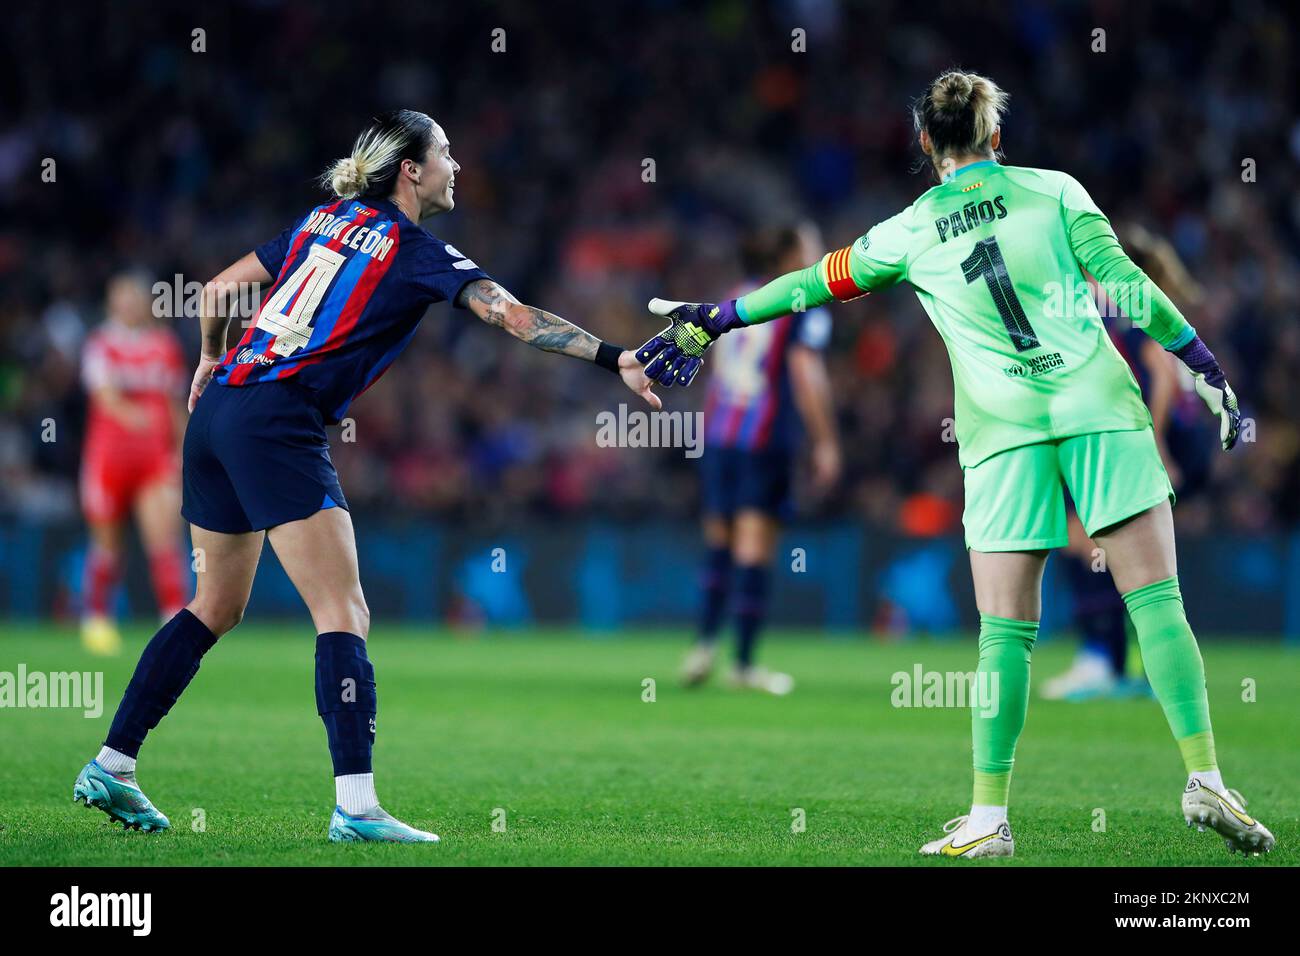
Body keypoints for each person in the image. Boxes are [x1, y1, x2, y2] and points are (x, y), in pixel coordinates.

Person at [635, 71, 1273, 859]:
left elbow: (812, 284)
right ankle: (1206, 777)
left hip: (1003, 435)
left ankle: (989, 818)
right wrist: (1203, 364)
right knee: (1160, 603)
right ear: (995, 137)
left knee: (1005, 636)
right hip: (1100, 412)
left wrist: (721, 316)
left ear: (927, 145)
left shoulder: (907, 232)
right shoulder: (1057, 192)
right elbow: (1129, 289)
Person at [73, 109, 660, 843]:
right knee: (344, 613)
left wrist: (207, 360)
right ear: (411, 170)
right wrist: (616, 358)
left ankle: (113, 763)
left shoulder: (321, 218)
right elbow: (512, 317)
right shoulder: (416, 250)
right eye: (446, 153)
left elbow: (218, 291)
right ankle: (355, 807)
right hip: (279, 420)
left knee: (213, 605)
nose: (456, 166)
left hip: (220, 412)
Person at [1043, 225, 1211, 700]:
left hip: (1160, 443)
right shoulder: (1132, 302)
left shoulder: (1123, 301)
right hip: (1161, 441)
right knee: (1118, 552)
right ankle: (1136, 665)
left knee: (1084, 540)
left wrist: (1157, 445)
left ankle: (1102, 659)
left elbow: (1162, 373)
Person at [682, 224, 840, 694]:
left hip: (721, 435)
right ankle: (744, 664)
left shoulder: (735, 295)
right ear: (790, 255)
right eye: (811, 246)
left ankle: (703, 646)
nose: (819, 254)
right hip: (765, 439)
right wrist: (826, 440)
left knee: (719, 544)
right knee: (753, 549)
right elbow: (804, 369)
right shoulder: (798, 302)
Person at [78, 273, 189, 655]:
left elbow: (175, 404)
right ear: (112, 303)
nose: (130, 304)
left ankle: (175, 623)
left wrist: (184, 447)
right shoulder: (101, 345)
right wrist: (136, 417)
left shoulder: (164, 345)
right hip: (108, 460)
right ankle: (96, 619)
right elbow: (105, 397)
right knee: (108, 545)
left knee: (165, 541)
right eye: (122, 297)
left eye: (135, 297)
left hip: (154, 461)